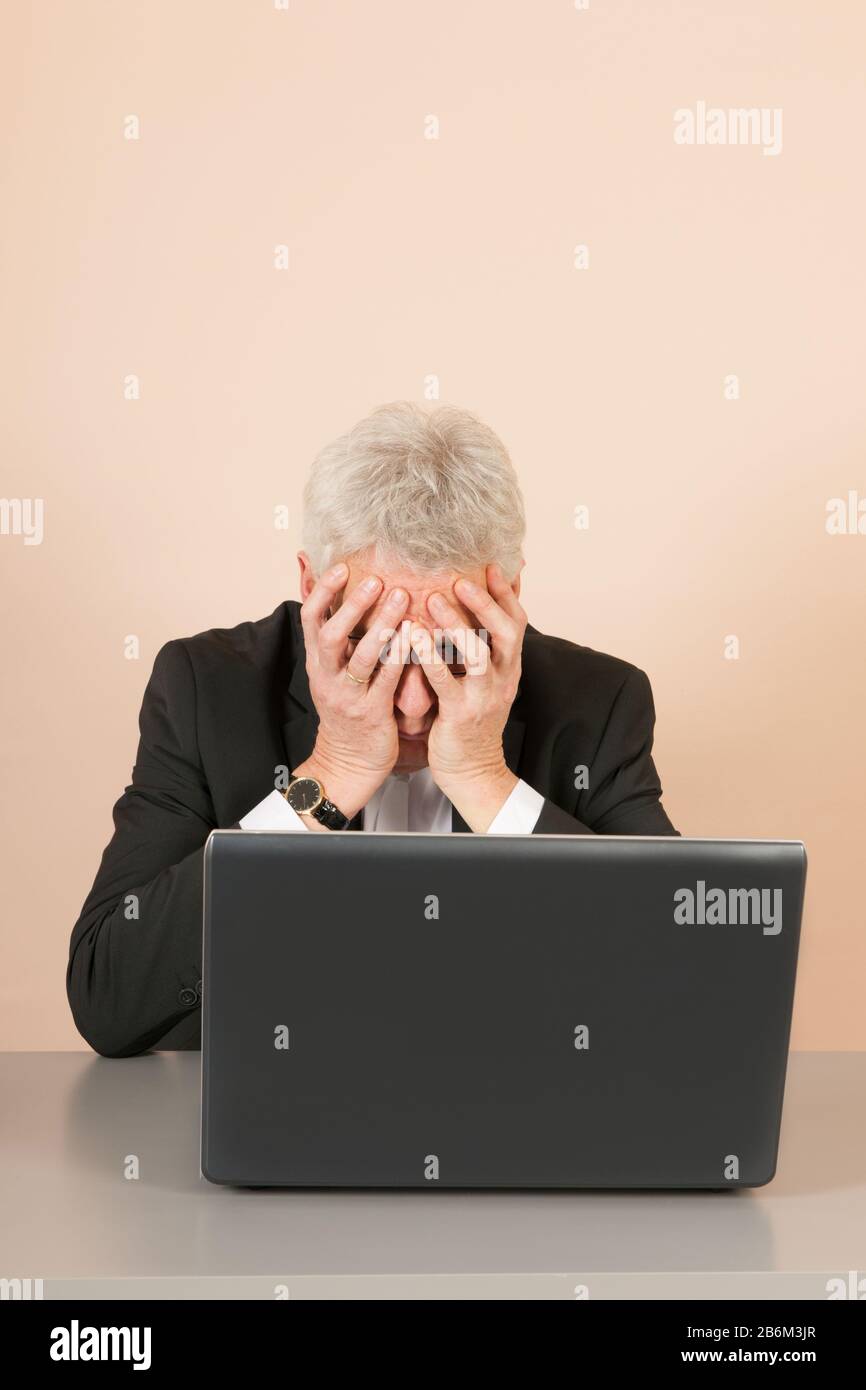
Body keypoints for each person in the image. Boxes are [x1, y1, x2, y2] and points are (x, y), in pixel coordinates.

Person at [67, 401, 678, 1057]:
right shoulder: (206, 688)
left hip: (515, 1118)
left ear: (511, 599)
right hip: (274, 1115)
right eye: (373, 647)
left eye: (451, 649)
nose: (414, 705)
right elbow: (111, 999)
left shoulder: (600, 703)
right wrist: (328, 777)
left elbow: (684, 988)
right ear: (311, 586)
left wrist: (483, 779)